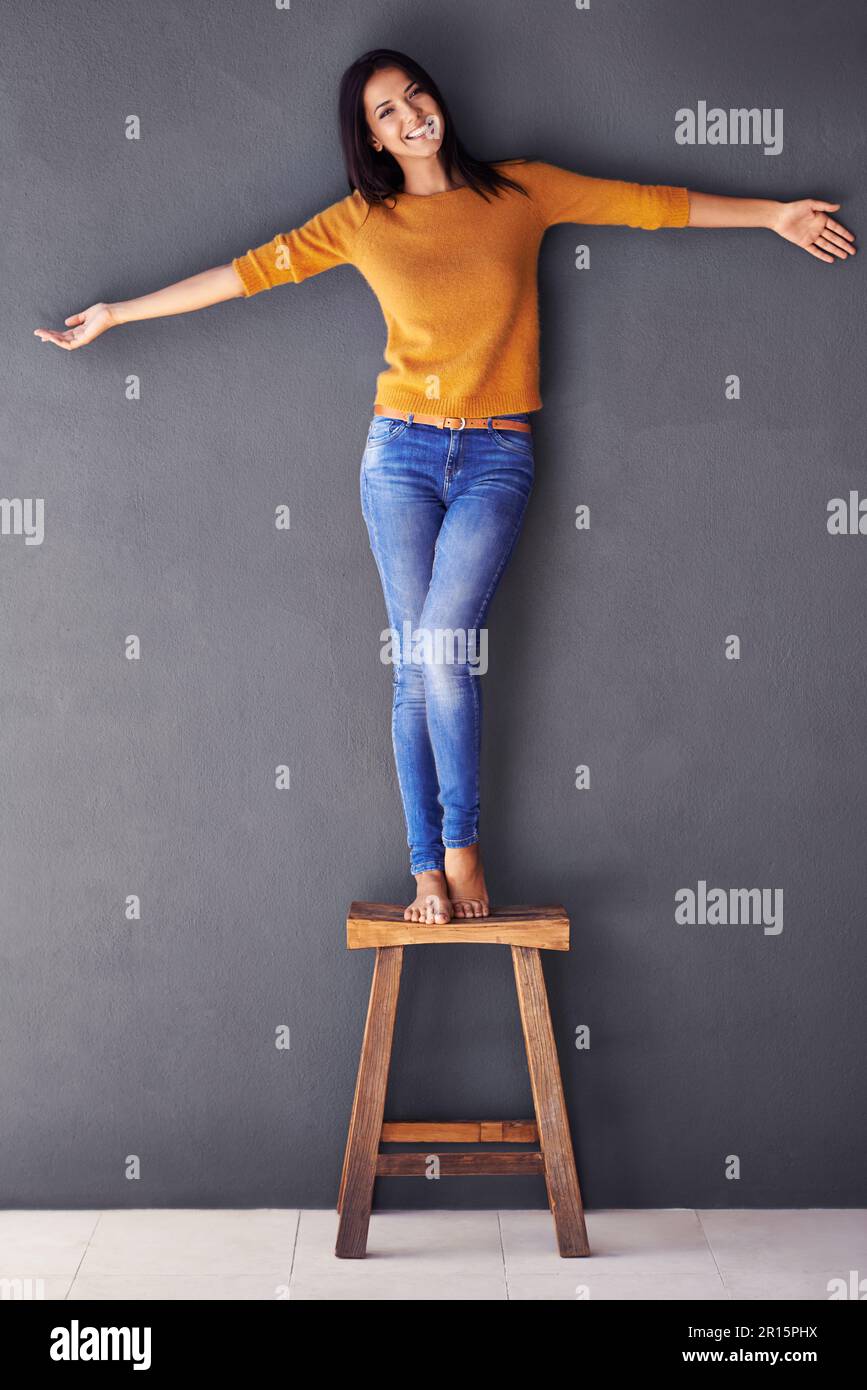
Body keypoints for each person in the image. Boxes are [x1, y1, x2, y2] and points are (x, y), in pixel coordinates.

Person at [34, 48, 856, 926]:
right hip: (398, 457)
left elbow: (648, 206)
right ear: (373, 140)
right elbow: (240, 275)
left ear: (436, 101)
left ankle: (458, 850)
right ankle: (429, 869)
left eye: (413, 96)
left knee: (438, 652)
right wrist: (119, 314)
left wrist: (772, 215)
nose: (408, 116)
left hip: (496, 455)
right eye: (385, 113)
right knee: (413, 667)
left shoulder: (520, 191)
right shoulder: (359, 222)